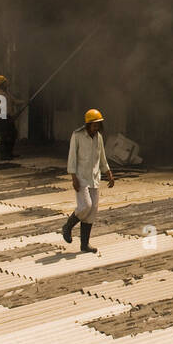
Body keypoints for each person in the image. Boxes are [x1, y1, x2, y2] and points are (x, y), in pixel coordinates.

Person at [62, 108, 115, 253]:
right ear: (87, 125)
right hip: (81, 177)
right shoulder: (77, 135)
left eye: (98, 124)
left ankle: (84, 245)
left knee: (92, 211)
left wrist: (109, 173)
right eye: (94, 125)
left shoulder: (99, 137)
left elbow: (102, 158)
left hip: (94, 178)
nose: (96, 127)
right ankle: (68, 226)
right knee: (86, 206)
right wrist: (73, 177)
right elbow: (72, 157)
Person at [0, 75, 18, 161]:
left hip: (8, 117)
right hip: (3, 118)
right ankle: (4, 155)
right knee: (5, 136)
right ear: (1, 84)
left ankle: (9, 153)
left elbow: (14, 101)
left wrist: (25, 102)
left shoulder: (6, 93)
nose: (7, 83)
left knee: (13, 134)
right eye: (5, 82)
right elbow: (1, 109)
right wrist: (9, 116)